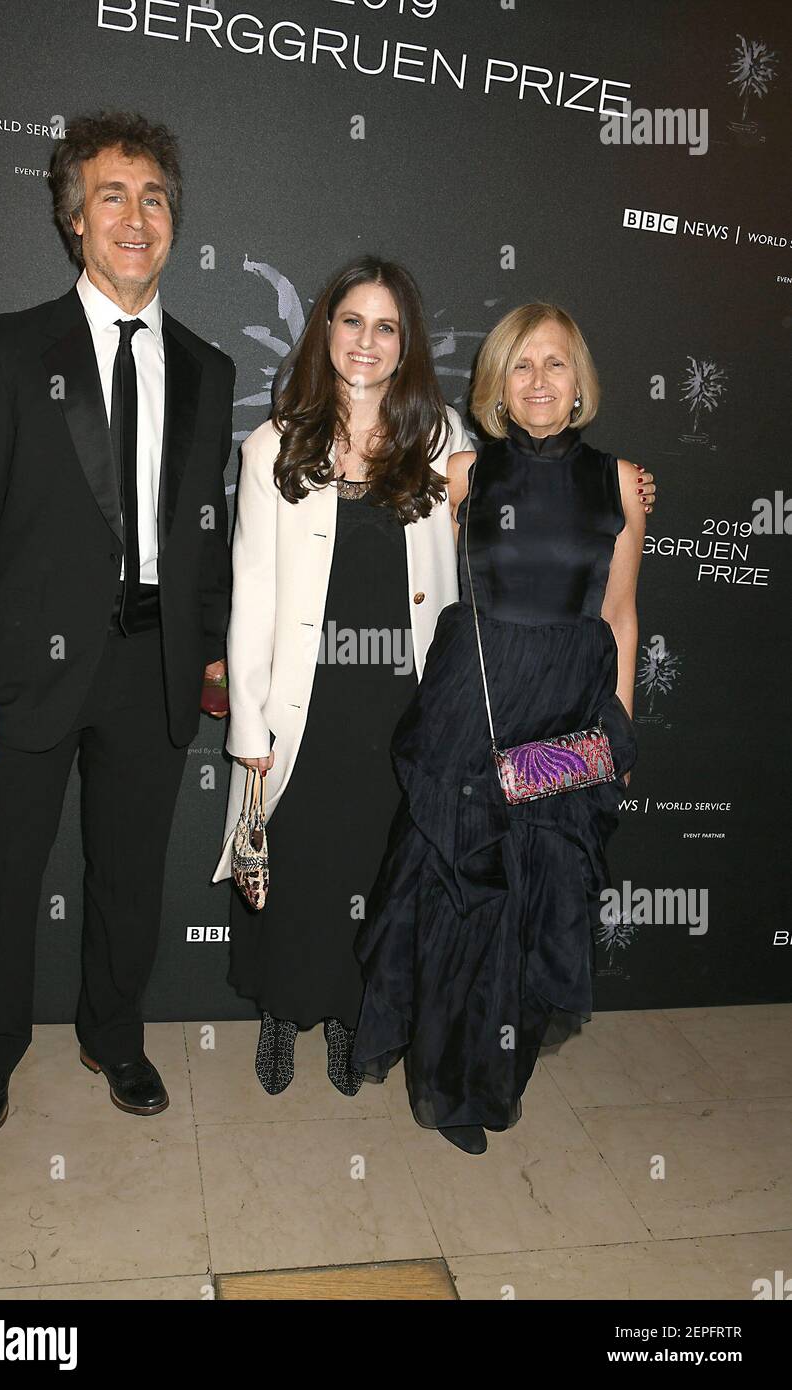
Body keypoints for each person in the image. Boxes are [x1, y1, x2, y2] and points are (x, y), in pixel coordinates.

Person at [212, 263, 655, 1099]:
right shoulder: (273, 445)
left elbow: (543, 484)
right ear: (326, 332)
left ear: (406, 343)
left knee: (370, 865)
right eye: (352, 322)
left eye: (387, 327)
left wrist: (630, 489)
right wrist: (247, 725)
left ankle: (349, 1015)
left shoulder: (444, 443)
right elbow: (251, 595)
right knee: (292, 856)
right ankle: (279, 1012)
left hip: (407, 695)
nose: (367, 342)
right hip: (302, 693)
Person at [0, 110, 234, 1137]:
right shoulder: (8, 350)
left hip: (150, 667)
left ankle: (116, 1033)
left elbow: (205, 534)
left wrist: (213, 654)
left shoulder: (207, 368)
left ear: (172, 219)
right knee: (7, 872)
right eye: (111, 195)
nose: (135, 216)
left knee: (130, 876)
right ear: (72, 219)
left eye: (152, 197)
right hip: (23, 670)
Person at [351, 302, 645, 1155]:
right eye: (521, 367)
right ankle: (446, 1084)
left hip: (567, 719)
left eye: (556, 365)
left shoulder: (621, 482)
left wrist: (615, 735)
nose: (540, 382)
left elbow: (620, 616)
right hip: (470, 712)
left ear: (579, 382)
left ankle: (497, 1075)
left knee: (536, 903)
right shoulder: (463, 478)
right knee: (459, 901)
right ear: (497, 388)